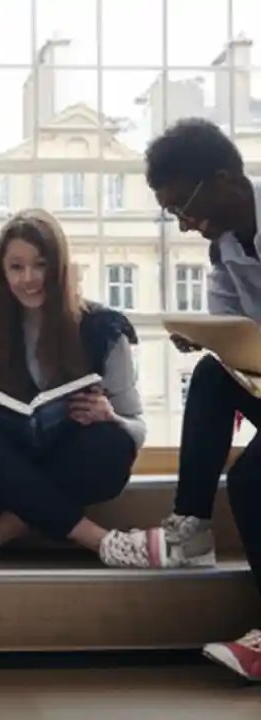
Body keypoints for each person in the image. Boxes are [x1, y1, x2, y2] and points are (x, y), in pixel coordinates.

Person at [0, 210, 155, 567]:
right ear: (2, 273)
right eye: (16, 267)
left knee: (111, 443)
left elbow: (136, 426)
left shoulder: (103, 331)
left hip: (73, 462)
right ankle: (102, 541)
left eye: (40, 265)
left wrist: (111, 417)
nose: (28, 279)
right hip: (13, 467)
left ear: (59, 267)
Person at [138, 117, 261, 679]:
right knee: (211, 375)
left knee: (251, 478)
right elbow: (234, 335)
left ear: (226, 179)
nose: (186, 225)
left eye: (185, 208)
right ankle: (191, 523)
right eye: (173, 214)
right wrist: (207, 338)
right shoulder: (223, 251)